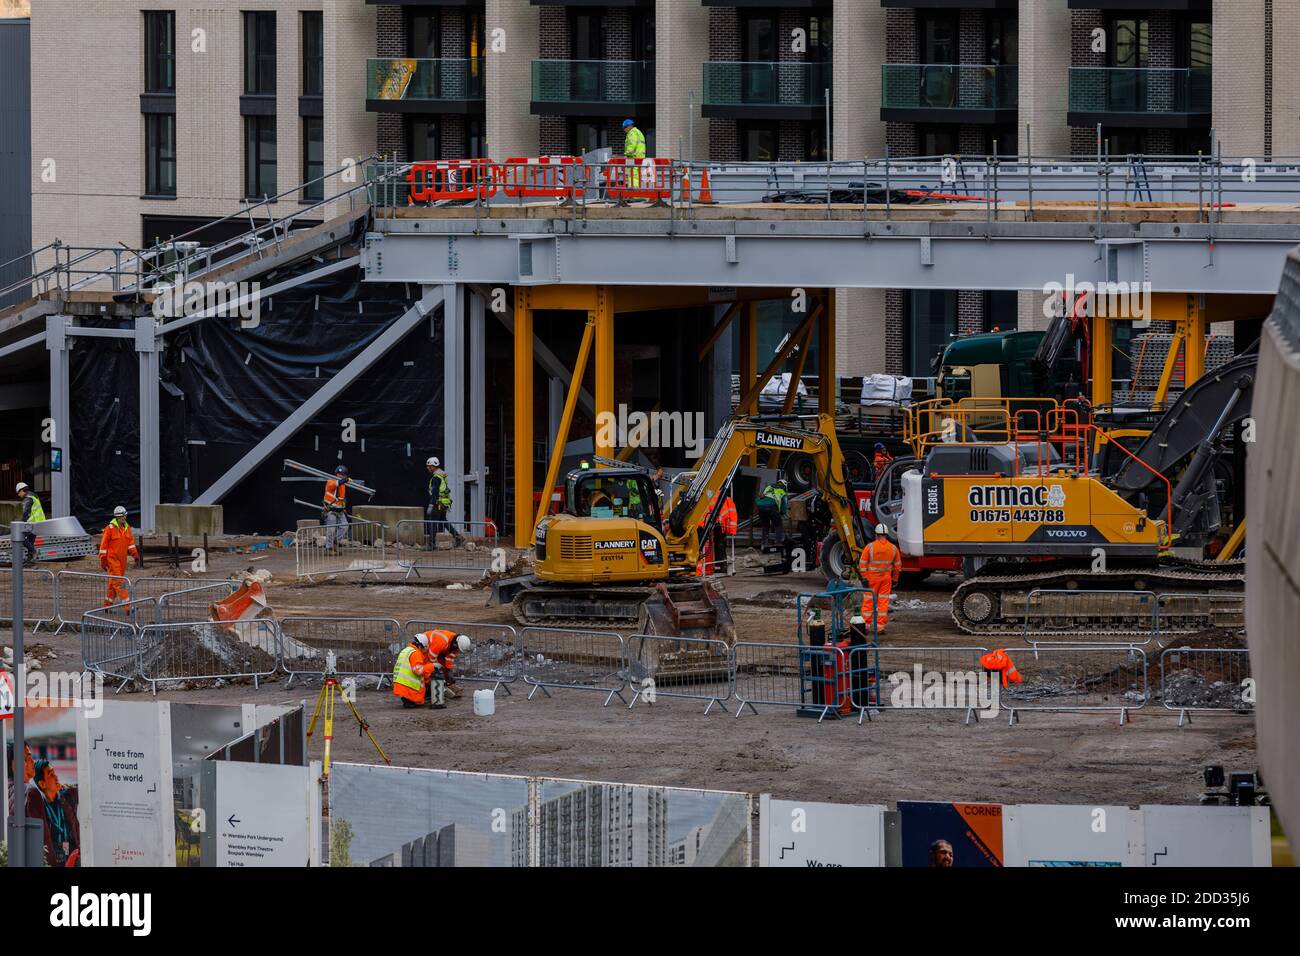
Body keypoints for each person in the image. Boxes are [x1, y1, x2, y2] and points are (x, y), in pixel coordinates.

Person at [31, 759, 80, 867]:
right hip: (52, 861)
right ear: (42, 784)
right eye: (51, 774)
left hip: (73, 857)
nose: (56, 777)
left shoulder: (69, 795)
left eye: (54, 772)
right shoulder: (38, 807)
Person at [858, 523, 901, 634]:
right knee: (883, 602)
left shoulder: (870, 547)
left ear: (876, 534)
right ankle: (880, 627)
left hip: (872, 579)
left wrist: (864, 578)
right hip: (886, 579)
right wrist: (895, 579)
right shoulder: (893, 548)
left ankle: (866, 626)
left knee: (868, 602)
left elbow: (862, 564)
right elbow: (897, 566)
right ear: (886, 534)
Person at [415, 629, 473, 708]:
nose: (457, 651)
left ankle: (439, 687)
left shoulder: (455, 645)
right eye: (457, 649)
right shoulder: (442, 641)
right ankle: (428, 690)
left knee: (441, 670)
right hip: (426, 647)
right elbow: (432, 658)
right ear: (456, 644)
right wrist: (438, 671)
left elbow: (449, 659)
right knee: (429, 671)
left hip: (438, 651)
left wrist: (448, 673)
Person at [98, 505, 141, 606]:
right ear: (117, 517)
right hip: (112, 560)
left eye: (125, 516)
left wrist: (135, 555)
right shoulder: (109, 529)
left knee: (113, 582)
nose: (124, 518)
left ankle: (107, 605)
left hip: (122, 560)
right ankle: (128, 606)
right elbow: (103, 547)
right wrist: (103, 560)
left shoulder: (127, 528)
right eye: (122, 516)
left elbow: (131, 544)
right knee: (119, 582)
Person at [425, 457, 463, 548]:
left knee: (432, 522)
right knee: (443, 521)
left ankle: (432, 544)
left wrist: (431, 505)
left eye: (429, 466)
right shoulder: (442, 476)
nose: (427, 468)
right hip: (444, 503)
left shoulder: (436, 478)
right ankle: (458, 537)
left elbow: (435, 492)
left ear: (433, 466)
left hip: (438, 503)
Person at [392, 633, 437, 709]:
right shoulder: (416, 653)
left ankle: (408, 700)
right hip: (408, 685)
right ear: (420, 646)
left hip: (401, 683)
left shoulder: (407, 650)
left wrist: (427, 678)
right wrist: (432, 666)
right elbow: (418, 670)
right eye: (424, 648)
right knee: (418, 698)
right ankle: (410, 700)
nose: (425, 650)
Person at [755, 478, 789, 552]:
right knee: (778, 524)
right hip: (772, 506)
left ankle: (764, 544)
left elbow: (761, 496)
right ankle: (778, 543)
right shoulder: (783, 491)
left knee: (765, 525)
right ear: (784, 486)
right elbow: (784, 506)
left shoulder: (769, 487)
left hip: (761, 507)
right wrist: (782, 513)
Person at [15, 481, 44, 563]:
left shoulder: (28, 498)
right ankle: (30, 559)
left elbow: (25, 512)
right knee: (30, 540)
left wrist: (21, 523)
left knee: (20, 536)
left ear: (21, 490)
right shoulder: (33, 495)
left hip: (33, 523)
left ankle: (34, 551)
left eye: (18, 493)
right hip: (38, 522)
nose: (18, 495)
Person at [322, 465, 350, 550]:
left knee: (345, 526)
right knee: (331, 529)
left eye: (342, 474)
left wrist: (343, 508)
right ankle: (329, 548)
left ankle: (334, 541)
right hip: (330, 510)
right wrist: (342, 481)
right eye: (339, 474)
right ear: (336, 474)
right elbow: (334, 484)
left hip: (339, 511)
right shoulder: (330, 481)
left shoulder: (343, 485)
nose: (340, 475)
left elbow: (341, 499)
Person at [622, 118, 646, 192]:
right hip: (640, 157)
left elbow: (632, 145)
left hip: (633, 157)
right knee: (636, 175)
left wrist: (627, 154)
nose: (624, 130)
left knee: (633, 175)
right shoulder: (638, 132)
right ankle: (636, 192)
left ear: (629, 126)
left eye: (624, 128)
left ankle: (633, 193)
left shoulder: (632, 133)